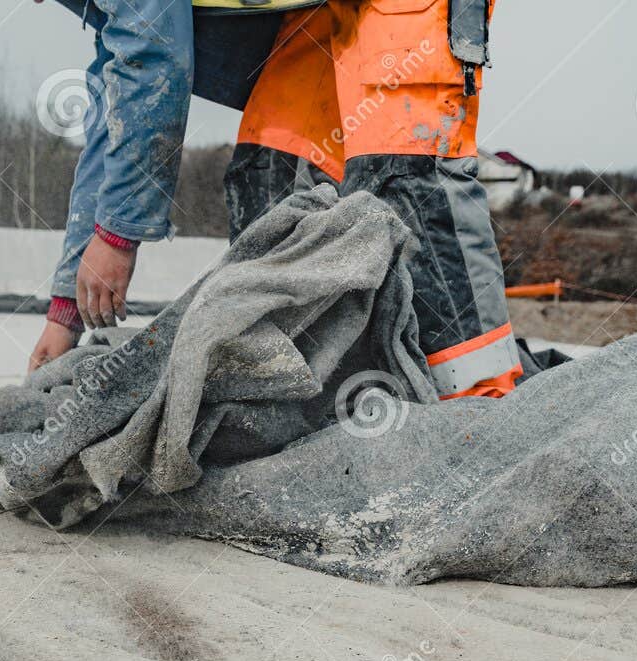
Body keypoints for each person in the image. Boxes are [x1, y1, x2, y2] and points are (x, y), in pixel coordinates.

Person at [30, 0, 522, 400]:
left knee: (406, 184)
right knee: (267, 182)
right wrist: (66, 308)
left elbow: (152, 59)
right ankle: (315, 401)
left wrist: (118, 236)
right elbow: (116, 94)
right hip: (315, 15)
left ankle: (480, 411)